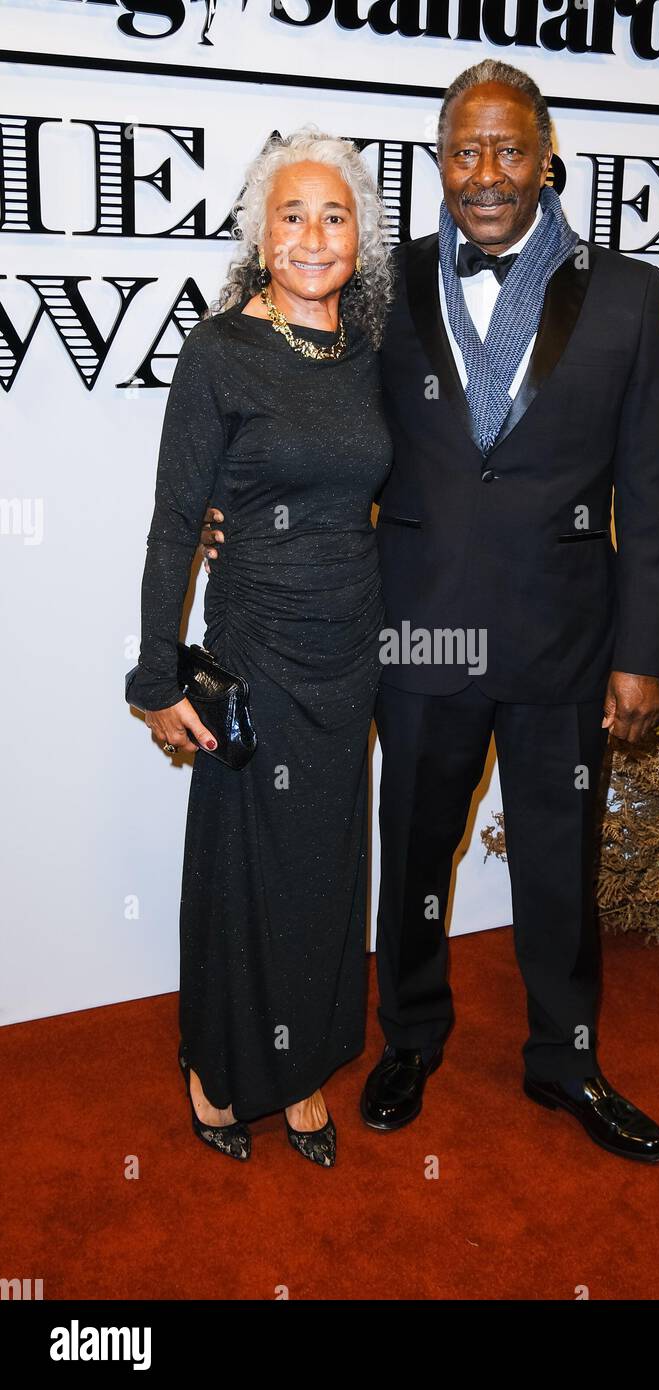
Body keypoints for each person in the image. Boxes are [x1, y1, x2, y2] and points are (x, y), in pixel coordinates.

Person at [203, 60, 659, 1164]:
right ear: (436, 162)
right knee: (413, 849)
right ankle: (409, 1037)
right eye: (461, 151)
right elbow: (304, 407)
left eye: (507, 149)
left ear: (545, 154)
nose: (485, 173)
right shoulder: (387, 286)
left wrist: (640, 651)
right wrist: (224, 511)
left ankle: (565, 1058)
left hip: (565, 633)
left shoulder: (625, 293)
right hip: (417, 625)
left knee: (558, 861)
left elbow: (653, 487)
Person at [126, 129, 394, 1164]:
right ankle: (218, 1064)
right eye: (291, 214)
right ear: (260, 234)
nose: (313, 234)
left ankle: (305, 1068)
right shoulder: (220, 351)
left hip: (352, 650)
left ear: (358, 236)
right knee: (246, 863)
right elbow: (170, 520)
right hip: (258, 650)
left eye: (333, 215)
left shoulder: (370, 355)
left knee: (327, 868)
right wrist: (155, 676)